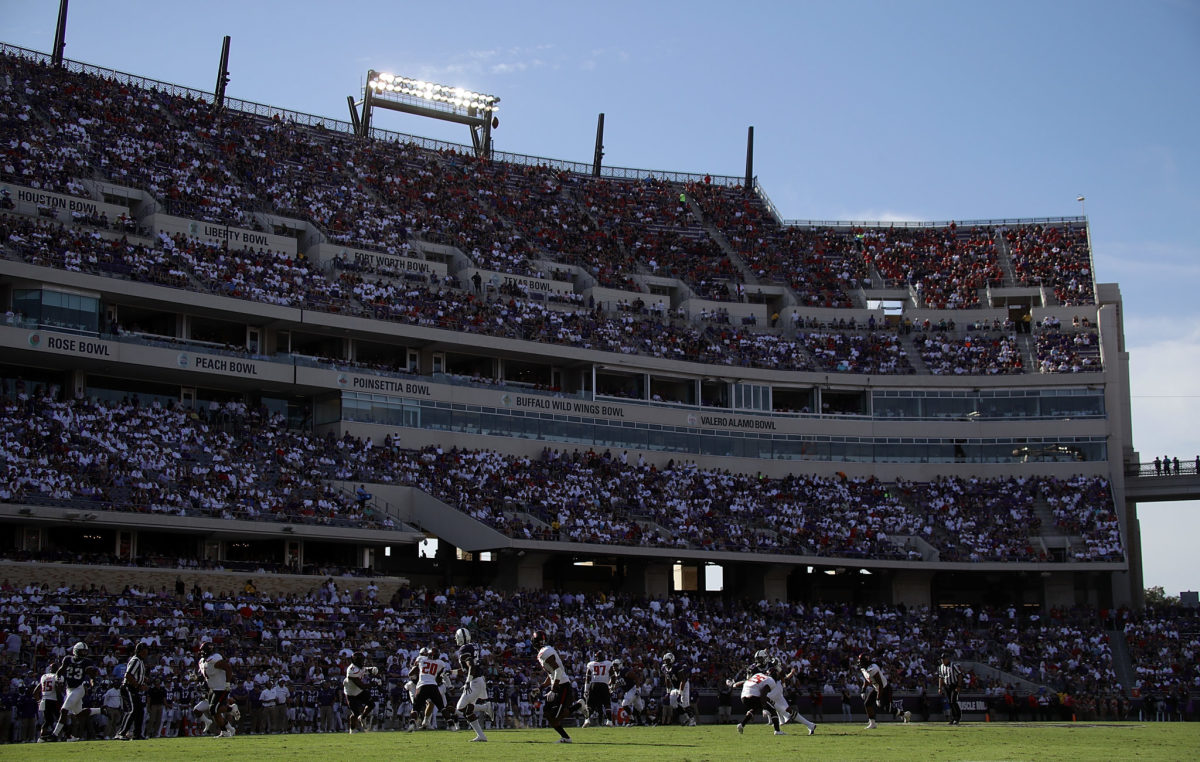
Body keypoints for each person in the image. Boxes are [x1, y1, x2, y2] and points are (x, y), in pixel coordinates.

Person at [532, 629, 574, 743]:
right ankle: (565, 737)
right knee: (548, 714)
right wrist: (541, 687)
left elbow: (558, 671)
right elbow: (551, 674)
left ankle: (579, 706)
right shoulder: (546, 650)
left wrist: (553, 690)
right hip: (558, 684)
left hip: (562, 685)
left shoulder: (545, 652)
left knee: (556, 716)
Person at [53, 641, 102, 740]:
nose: (84, 653)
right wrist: (58, 678)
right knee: (78, 713)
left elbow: (91, 675)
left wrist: (93, 680)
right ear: (76, 651)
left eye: (85, 652)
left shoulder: (86, 662)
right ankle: (102, 710)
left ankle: (54, 735)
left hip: (79, 689)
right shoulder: (67, 659)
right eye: (82, 651)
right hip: (69, 689)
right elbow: (61, 670)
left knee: (64, 710)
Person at [453, 627, 492, 742]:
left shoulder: (463, 649)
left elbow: (471, 666)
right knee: (468, 711)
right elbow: (466, 669)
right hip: (478, 679)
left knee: (460, 708)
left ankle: (485, 707)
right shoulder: (473, 646)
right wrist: (451, 672)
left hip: (474, 681)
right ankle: (481, 736)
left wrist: (467, 682)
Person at [199, 641, 235, 737]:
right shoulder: (203, 661)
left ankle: (231, 709)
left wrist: (227, 683)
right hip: (212, 688)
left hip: (221, 687)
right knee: (214, 712)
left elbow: (228, 668)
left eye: (203, 650)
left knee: (213, 709)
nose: (202, 652)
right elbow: (204, 675)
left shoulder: (214, 658)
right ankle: (224, 731)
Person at [408, 646, 448, 731]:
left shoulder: (423, 660)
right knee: (416, 706)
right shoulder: (420, 660)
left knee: (430, 703)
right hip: (415, 685)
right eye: (423, 654)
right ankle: (416, 722)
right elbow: (411, 675)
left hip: (424, 684)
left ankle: (425, 722)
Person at [116, 642, 150, 740]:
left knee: (140, 711)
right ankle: (121, 733)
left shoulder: (140, 661)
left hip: (133, 688)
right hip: (128, 687)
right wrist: (138, 685)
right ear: (139, 652)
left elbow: (136, 676)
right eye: (144, 652)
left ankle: (137, 734)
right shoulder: (136, 660)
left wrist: (143, 681)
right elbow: (128, 675)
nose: (145, 654)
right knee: (132, 710)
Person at [344, 651, 378, 733]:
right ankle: (352, 729)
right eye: (361, 660)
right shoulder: (351, 670)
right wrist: (372, 684)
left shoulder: (359, 666)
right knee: (355, 713)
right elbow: (361, 685)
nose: (363, 661)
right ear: (356, 661)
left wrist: (372, 669)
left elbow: (365, 670)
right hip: (351, 692)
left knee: (371, 704)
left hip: (359, 691)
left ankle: (363, 717)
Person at [857, 653, 892, 730]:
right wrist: (863, 690)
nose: (860, 663)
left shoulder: (873, 668)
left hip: (884, 687)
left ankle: (904, 714)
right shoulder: (864, 668)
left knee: (888, 708)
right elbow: (867, 679)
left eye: (861, 661)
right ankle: (872, 723)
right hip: (877, 687)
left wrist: (878, 698)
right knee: (867, 703)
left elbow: (880, 684)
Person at [661, 652, 697, 726]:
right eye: (664, 660)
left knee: (684, 703)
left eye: (667, 660)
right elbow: (667, 679)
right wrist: (668, 692)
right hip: (676, 687)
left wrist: (680, 694)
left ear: (671, 660)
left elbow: (683, 680)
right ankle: (686, 718)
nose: (665, 662)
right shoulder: (664, 668)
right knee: (673, 703)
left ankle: (692, 720)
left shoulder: (677, 667)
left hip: (684, 685)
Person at [582, 650, 615, 727]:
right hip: (604, 685)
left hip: (594, 685)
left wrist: (586, 690)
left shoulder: (591, 664)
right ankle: (609, 721)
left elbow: (588, 678)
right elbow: (613, 677)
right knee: (607, 704)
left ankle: (587, 720)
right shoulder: (608, 663)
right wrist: (612, 686)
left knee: (590, 704)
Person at [35, 660, 62, 742]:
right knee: (60, 719)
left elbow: (35, 691)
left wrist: (38, 700)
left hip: (45, 699)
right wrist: (60, 701)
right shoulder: (57, 676)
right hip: (54, 700)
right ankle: (62, 736)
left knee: (48, 720)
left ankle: (41, 737)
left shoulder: (44, 676)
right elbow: (58, 690)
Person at [937, 652, 964, 726]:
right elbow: (941, 678)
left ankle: (957, 717)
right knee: (949, 702)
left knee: (953, 701)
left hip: (954, 685)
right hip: (947, 686)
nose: (943, 660)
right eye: (942, 659)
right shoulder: (941, 667)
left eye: (944, 659)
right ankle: (953, 718)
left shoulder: (953, 666)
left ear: (947, 659)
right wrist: (940, 687)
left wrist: (959, 686)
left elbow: (960, 675)